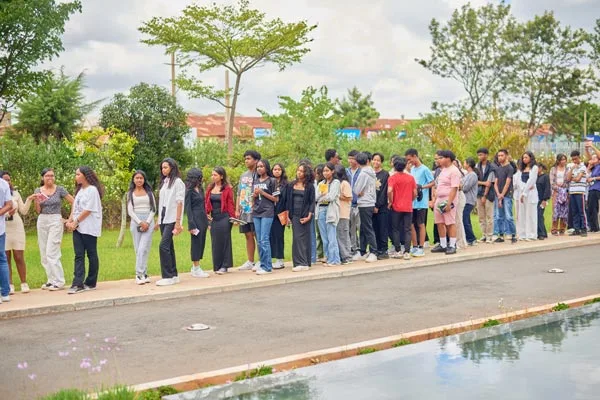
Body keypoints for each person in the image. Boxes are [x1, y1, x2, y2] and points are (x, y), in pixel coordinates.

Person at [32, 168, 74, 290]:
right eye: (47, 176)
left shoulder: (60, 189)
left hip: (55, 220)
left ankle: (59, 281)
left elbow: (73, 202)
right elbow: (38, 210)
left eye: (52, 175)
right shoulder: (38, 190)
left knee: (52, 251)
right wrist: (36, 201)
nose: (50, 178)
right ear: (42, 178)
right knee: (44, 251)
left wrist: (69, 219)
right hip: (42, 219)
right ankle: (51, 279)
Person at [65, 166, 103, 294]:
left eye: (78, 174)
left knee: (91, 254)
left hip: (88, 227)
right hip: (78, 227)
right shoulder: (80, 190)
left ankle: (91, 282)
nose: (76, 177)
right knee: (78, 255)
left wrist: (76, 222)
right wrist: (70, 221)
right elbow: (75, 208)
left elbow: (88, 210)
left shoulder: (92, 190)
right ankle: (77, 283)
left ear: (85, 176)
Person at [1, 172, 33, 294]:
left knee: (19, 256)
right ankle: (9, 284)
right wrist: (7, 213)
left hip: (17, 227)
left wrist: (29, 199)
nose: (8, 182)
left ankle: (24, 282)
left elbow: (23, 211)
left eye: (9, 180)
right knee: (6, 257)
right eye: (5, 180)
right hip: (4, 227)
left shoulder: (15, 194)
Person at [155, 158, 185, 286]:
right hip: (163, 217)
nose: (163, 170)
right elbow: (162, 202)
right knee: (169, 246)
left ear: (172, 168)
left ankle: (167, 276)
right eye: (162, 168)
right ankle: (173, 274)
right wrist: (158, 220)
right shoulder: (164, 182)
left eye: (166, 167)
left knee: (163, 246)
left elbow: (179, 202)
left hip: (172, 218)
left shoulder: (178, 182)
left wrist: (178, 222)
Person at [127, 170, 156, 285]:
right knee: (138, 249)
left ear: (144, 180)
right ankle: (142, 274)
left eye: (141, 178)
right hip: (136, 222)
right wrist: (140, 222)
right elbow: (130, 211)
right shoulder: (130, 193)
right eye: (137, 178)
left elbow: (153, 209)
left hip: (148, 221)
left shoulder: (149, 192)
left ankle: (140, 273)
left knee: (144, 248)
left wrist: (147, 222)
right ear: (133, 180)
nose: (139, 180)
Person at [205, 167, 235, 274]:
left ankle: (225, 265)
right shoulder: (210, 188)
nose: (213, 177)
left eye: (215, 175)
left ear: (221, 176)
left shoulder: (227, 188)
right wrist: (206, 215)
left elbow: (231, 204)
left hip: (225, 216)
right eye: (212, 175)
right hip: (214, 217)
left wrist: (232, 218)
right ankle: (217, 265)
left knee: (225, 241)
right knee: (215, 241)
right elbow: (206, 203)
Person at [405, 149, 434, 257]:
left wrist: (422, 187)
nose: (409, 161)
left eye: (409, 159)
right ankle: (415, 246)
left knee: (421, 224)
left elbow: (432, 182)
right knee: (411, 224)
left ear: (414, 156)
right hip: (412, 202)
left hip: (421, 202)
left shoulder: (425, 169)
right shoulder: (412, 169)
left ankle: (421, 247)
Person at [431, 150, 461, 255]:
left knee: (450, 222)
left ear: (448, 158)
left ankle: (452, 245)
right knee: (439, 222)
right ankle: (443, 244)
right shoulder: (443, 170)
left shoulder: (454, 171)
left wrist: (449, 203)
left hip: (448, 199)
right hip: (439, 199)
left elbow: (454, 188)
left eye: (441, 158)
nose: (439, 160)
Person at [251, 159, 278, 275]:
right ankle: (262, 263)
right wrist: (255, 195)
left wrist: (262, 193)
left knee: (264, 239)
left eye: (261, 166)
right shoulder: (255, 181)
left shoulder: (272, 181)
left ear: (266, 168)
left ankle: (267, 267)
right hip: (257, 211)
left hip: (267, 212)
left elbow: (276, 199)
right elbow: (254, 198)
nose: (259, 168)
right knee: (259, 240)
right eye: (258, 167)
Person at [287, 163, 315, 272]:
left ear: (306, 173)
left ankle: (304, 262)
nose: (299, 172)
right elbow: (288, 201)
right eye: (298, 170)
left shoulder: (310, 186)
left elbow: (312, 201)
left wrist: (309, 215)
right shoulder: (291, 185)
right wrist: (288, 215)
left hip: (305, 214)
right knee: (296, 238)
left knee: (304, 238)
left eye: (302, 171)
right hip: (294, 215)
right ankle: (298, 262)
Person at [387, 157, 417, 260]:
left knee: (395, 229)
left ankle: (398, 250)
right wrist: (410, 199)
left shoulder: (392, 178)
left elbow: (389, 190)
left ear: (394, 166)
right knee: (407, 229)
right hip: (408, 206)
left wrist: (391, 201)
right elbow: (415, 193)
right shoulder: (410, 178)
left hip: (396, 206)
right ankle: (407, 252)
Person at [237, 150, 260, 271]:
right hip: (244, 210)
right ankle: (250, 261)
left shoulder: (260, 174)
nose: (246, 161)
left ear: (256, 160)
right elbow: (239, 193)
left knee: (258, 234)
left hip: (256, 210)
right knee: (248, 234)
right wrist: (237, 209)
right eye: (245, 159)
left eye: (249, 158)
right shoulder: (243, 175)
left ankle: (262, 260)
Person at [352, 152, 378, 263]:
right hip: (370, 202)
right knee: (363, 227)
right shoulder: (371, 172)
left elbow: (356, 189)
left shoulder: (363, 173)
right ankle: (362, 250)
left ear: (357, 163)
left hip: (365, 203)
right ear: (367, 161)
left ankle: (373, 252)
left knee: (367, 227)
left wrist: (360, 192)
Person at [184, 168, 210, 279]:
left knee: (201, 242)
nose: (202, 178)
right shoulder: (189, 191)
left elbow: (203, 205)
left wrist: (207, 219)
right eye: (200, 176)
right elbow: (188, 208)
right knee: (196, 242)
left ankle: (197, 266)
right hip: (194, 218)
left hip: (202, 218)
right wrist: (191, 223)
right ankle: (196, 267)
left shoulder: (200, 188)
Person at [316, 162, 341, 267]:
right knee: (324, 237)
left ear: (332, 171)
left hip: (330, 210)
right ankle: (328, 258)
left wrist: (323, 196)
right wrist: (323, 196)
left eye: (327, 171)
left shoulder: (336, 183)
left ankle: (335, 259)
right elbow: (316, 198)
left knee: (332, 236)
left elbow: (331, 197)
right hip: (321, 210)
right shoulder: (321, 183)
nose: (325, 173)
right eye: (324, 171)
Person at [494, 149, 517, 244]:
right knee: (499, 216)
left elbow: (508, 183)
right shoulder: (498, 168)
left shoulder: (510, 168)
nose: (500, 157)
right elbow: (495, 183)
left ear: (506, 156)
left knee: (508, 216)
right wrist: (498, 194)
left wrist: (502, 195)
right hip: (498, 194)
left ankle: (513, 234)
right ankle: (501, 235)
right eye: (498, 155)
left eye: (502, 155)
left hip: (507, 195)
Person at [514, 152, 539, 241]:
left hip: (530, 193)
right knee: (522, 214)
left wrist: (525, 191)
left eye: (526, 157)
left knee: (531, 214)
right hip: (522, 193)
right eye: (523, 158)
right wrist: (523, 189)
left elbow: (531, 180)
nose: (524, 159)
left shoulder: (534, 168)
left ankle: (532, 235)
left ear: (530, 158)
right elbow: (517, 181)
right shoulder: (521, 169)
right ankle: (523, 234)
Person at [371, 153, 389, 259]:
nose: (376, 162)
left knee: (382, 228)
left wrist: (377, 205)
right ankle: (375, 248)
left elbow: (384, 191)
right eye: (374, 160)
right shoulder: (370, 173)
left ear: (381, 162)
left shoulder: (385, 174)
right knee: (374, 228)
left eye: (378, 160)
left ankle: (384, 250)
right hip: (370, 205)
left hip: (381, 206)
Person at [475, 148, 496, 243]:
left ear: (486, 155)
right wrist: (483, 183)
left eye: (481, 154)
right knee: (481, 216)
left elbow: (489, 183)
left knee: (489, 216)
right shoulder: (477, 167)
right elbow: (475, 180)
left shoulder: (491, 167)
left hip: (488, 194)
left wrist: (485, 195)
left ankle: (489, 235)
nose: (480, 157)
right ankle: (483, 234)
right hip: (478, 194)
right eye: (478, 155)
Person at [270, 163, 288, 269]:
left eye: (279, 169)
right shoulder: (269, 182)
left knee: (279, 236)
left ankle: (280, 259)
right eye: (275, 169)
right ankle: (272, 258)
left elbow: (287, 199)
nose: (277, 171)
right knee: (271, 236)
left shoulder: (286, 184)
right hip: (269, 212)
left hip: (281, 212)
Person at [566, 150, 588, 236]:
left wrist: (573, 178)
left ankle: (583, 228)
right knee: (574, 211)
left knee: (581, 211)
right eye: (573, 159)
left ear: (579, 157)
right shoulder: (571, 166)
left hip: (580, 191)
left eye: (575, 159)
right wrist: (572, 169)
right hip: (572, 191)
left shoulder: (583, 167)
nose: (574, 161)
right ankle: (576, 229)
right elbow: (568, 178)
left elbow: (578, 179)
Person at [335, 164, 353, 264]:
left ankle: (347, 256)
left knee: (343, 235)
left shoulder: (345, 183)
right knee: (339, 235)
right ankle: (342, 255)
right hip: (336, 213)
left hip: (343, 213)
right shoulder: (336, 183)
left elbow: (349, 197)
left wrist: (338, 196)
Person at [0, 177, 13, 303]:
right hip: (1, 228)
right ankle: (4, 293)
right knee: (2, 259)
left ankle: (4, 292)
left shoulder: (3, 184)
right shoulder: (3, 183)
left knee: (2, 259)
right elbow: (9, 205)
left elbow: (10, 205)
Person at [346, 150, 361, 256]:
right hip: (348, 204)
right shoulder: (346, 171)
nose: (350, 160)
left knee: (360, 226)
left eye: (353, 158)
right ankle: (352, 248)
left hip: (359, 203)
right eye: (349, 158)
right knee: (350, 227)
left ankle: (360, 248)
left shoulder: (361, 171)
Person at [550, 154, 569, 235]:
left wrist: (563, 187)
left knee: (564, 210)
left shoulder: (568, 169)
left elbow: (568, 180)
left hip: (564, 191)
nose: (563, 161)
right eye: (561, 160)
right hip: (556, 191)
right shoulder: (553, 169)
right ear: (558, 160)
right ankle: (554, 228)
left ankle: (562, 228)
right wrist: (557, 187)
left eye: (564, 159)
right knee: (556, 210)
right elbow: (551, 181)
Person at [462, 158, 479, 246]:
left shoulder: (472, 175)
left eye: (464, 163)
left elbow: (465, 187)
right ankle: (469, 238)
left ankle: (471, 238)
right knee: (466, 219)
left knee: (464, 220)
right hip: (464, 200)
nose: (463, 164)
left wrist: (460, 186)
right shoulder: (466, 175)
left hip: (469, 200)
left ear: (468, 164)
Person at [536, 164, 552, 240]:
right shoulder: (535, 177)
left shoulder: (545, 177)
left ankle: (541, 233)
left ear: (540, 168)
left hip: (542, 199)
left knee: (539, 215)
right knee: (537, 216)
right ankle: (542, 232)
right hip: (535, 199)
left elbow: (547, 188)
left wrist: (545, 199)